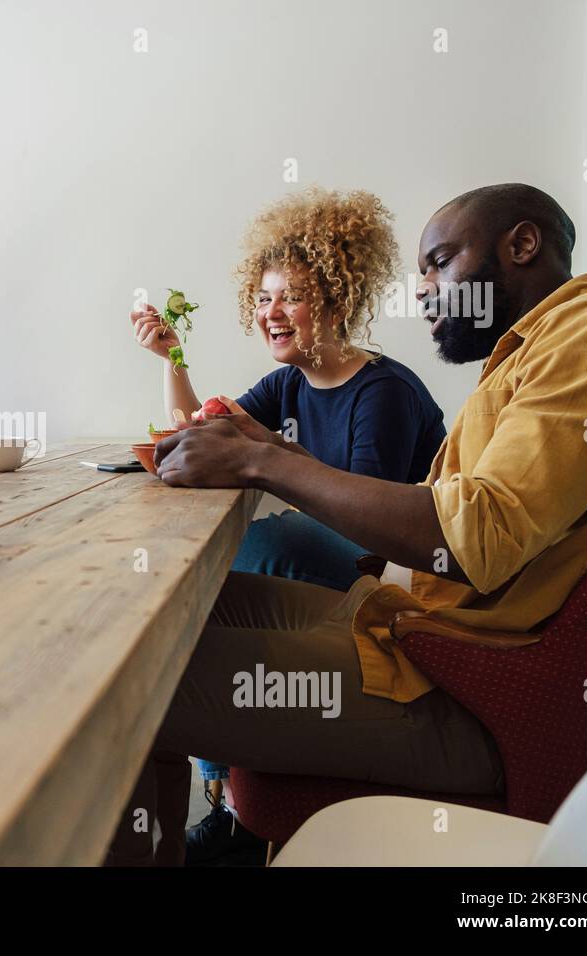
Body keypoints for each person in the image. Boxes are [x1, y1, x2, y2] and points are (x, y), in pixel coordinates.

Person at [110, 182, 587, 866]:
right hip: (413, 624)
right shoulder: (530, 351)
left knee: (125, 684)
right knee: (167, 614)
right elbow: (458, 509)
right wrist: (269, 450)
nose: (422, 290)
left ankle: (216, 831)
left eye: (440, 262)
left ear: (523, 244)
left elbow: (470, 535)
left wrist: (264, 465)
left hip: (463, 683)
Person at [131, 188, 447, 854]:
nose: (271, 312)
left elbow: (373, 526)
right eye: (264, 297)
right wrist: (173, 359)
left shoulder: (382, 391)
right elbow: (204, 428)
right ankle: (226, 792)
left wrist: (272, 457)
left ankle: (229, 806)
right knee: (230, 563)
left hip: (389, 576)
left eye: (292, 297)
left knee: (262, 542)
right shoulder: (290, 384)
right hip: (352, 564)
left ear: (335, 302)